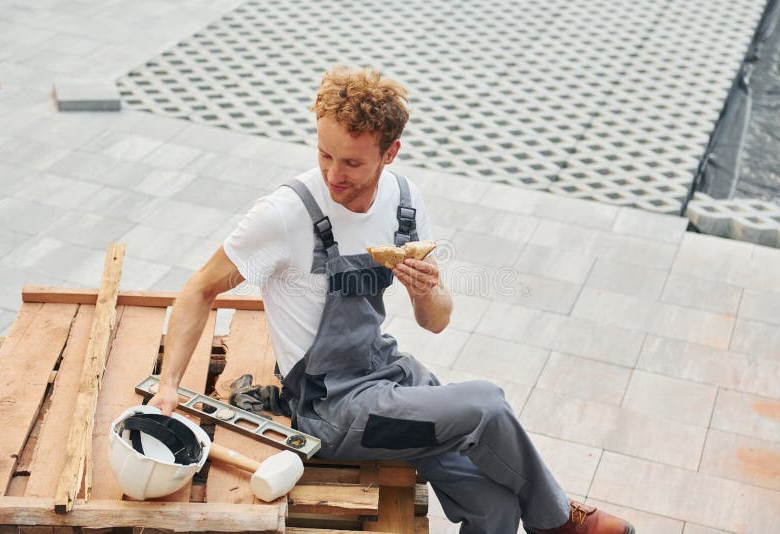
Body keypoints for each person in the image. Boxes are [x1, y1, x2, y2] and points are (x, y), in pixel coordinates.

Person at [148, 66, 635, 534]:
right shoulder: (285, 214)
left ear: (390, 152)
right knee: (486, 402)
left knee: (495, 504)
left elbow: (437, 322)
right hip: (333, 412)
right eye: (324, 155)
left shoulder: (404, 203)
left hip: (390, 381)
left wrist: (428, 290)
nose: (333, 174)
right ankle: (557, 520)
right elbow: (200, 288)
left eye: (352, 162)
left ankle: (546, 516)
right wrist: (170, 384)